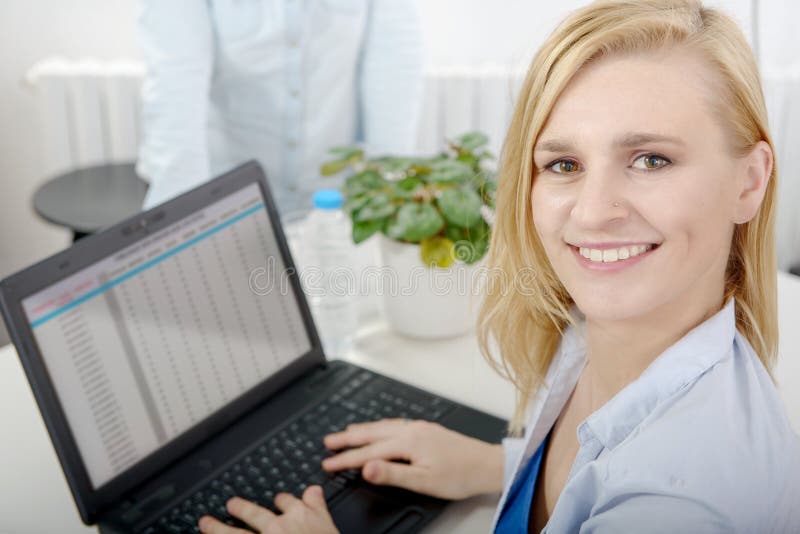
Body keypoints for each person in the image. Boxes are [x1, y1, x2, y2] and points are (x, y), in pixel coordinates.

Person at [198, 0, 800, 532]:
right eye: (564, 164)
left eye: (651, 159)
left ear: (749, 182)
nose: (592, 212)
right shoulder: (597, 333)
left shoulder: (682, 506)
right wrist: (498, 465)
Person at [136, 0, 424, 214]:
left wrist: (389, 194)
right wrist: (185, 221)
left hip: (333, 198)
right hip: (225, 196)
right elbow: (176, 83)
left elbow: (395, 62)